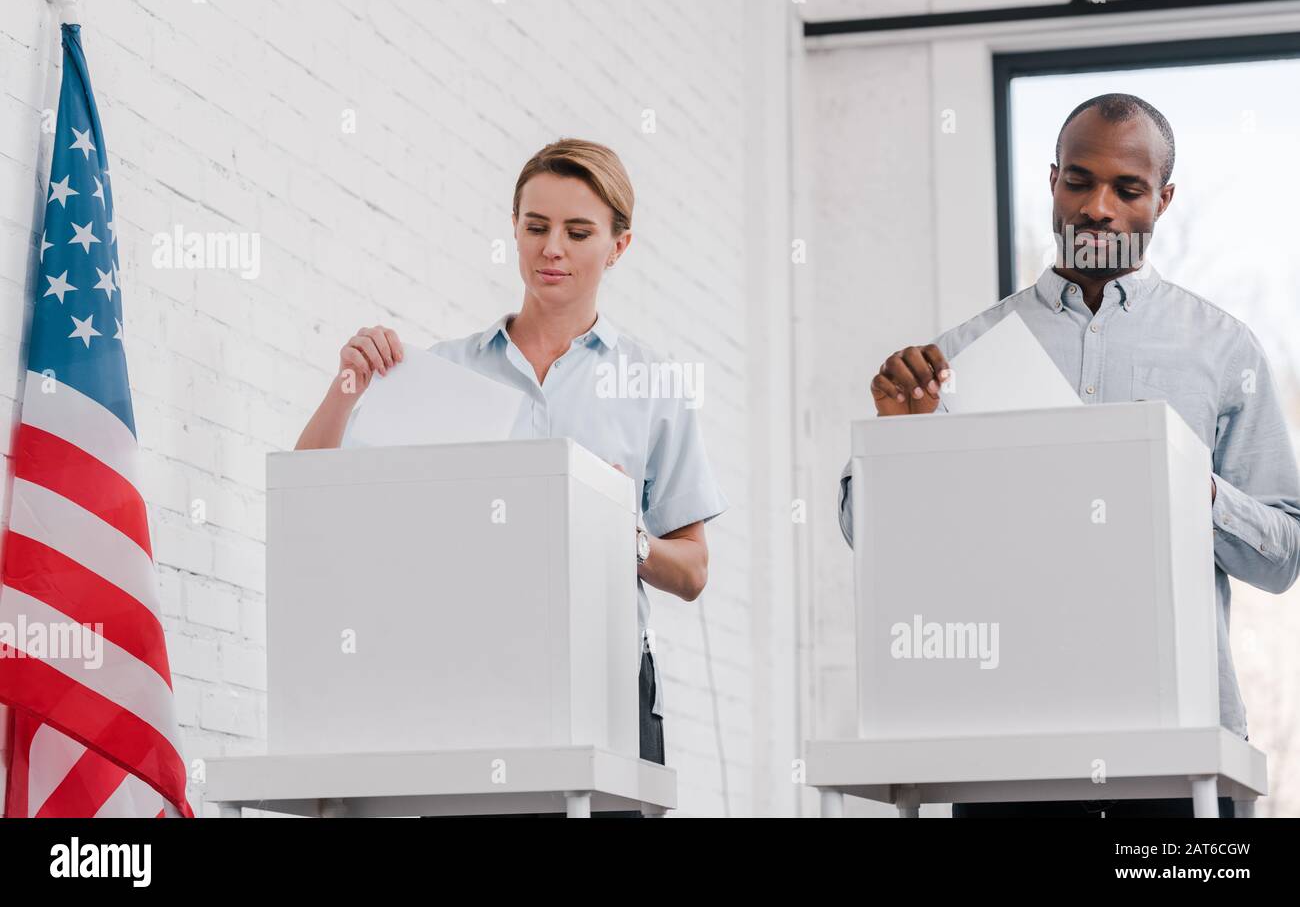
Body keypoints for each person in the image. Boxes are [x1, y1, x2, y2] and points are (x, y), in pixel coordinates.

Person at [838, 93, 1300, 818]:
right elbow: (870, 535)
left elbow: (1283, 555)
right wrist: (898, 441)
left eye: (1129, 188)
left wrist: (1195, 489)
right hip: (1007, 743)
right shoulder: (961, 355)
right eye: (1079, 181)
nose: (1098, 209)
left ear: (1164, 198)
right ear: (1053, 180)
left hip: (1181, 748)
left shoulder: (1223, 350)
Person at [296, 138, 727, 811]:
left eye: (578, 231)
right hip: (467, 683)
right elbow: (313, 494)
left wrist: (626, 536)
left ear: (618, 246)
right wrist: (347, 384)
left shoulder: (651, 386)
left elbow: (694, 571)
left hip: (608, 685)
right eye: (536, 226)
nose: (552, 247)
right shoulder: (444, 374)